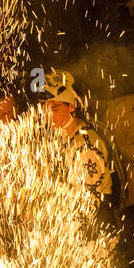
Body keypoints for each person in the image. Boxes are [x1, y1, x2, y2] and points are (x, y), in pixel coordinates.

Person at [41, 68, 115, 219]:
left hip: (91, 229)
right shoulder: (55, 138)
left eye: (55, 109)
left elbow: (88, 206)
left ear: (71, 106)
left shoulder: (87, 146)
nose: (48, 116)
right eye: (45, 110)